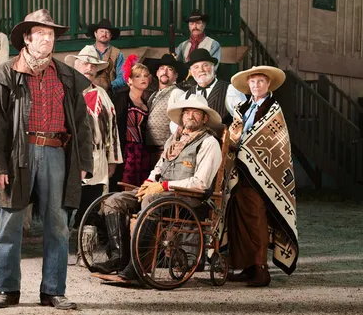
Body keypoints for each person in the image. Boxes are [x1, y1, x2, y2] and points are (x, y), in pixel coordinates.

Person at [0, 9, 93, 310]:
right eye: (41, 34)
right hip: (20, 154)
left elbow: (81, 123)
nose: (47, 39)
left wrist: (83, 160)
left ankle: (53, 291)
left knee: (58, 225)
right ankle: (8, 289)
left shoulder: (67, 76)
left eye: (51, 35)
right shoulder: (6, 74)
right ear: (27, 39)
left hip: (57, 152)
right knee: (11, 223)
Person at [92, 94, 222, 279]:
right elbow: (159, 167)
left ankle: (138, 267)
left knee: (150, 200)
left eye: (196, 112)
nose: (190, 116)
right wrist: (149, 183)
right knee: (115, 201)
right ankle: (118, 258)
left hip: (189, 199)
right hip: (163, 194)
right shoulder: (174, 140)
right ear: (182, 116)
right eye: (187, 112)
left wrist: (164, 186)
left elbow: (200, 183)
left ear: (205, 118)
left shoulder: (209, 143)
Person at [225, 66, 299, 287]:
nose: (256, 86)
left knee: (257, 219)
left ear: (268, 85)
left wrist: (244, 148)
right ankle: (247, 266)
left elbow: (275, 143)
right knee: (239, 217)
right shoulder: (243, 108)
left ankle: (261, 269)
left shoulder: (273, 110)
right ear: (248, 85)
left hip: (263, 176)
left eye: (260, 82)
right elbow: (235, 133)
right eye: (253, 82)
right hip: (240, 172)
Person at [64, 45, 123, 230]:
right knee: (63, 206)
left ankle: (84, 251)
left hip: (97, 160)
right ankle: (59, 249)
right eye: (85, 64)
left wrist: (112, 159)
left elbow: (112, 129)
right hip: (69, 157)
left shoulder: (102, 95)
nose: (89, 68)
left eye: (93, 66)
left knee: (91, 208)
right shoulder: (66, 92)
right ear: (76, 65)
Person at [170, 48, 246, 128]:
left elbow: (243, 119)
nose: (201, 70)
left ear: (213, 67)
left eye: (205, 65)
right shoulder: (186, 96)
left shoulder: (230, 90)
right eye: (196, 67)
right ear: (191, 72)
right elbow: (175, 125)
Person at [110, 55, 150, 191]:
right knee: (122, 184)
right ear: (129, 80)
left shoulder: (146, 102)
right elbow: (114, 124)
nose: (143, 79)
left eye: (145, 75)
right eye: (138, 76)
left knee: (138, 186)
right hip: (125, 148)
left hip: (141, 149)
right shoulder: (121, 98)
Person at [144, 54, 188, 167]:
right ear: (157, 73)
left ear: (176, 75)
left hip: (165, 149)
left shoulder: (177, 93)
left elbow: (181, 125)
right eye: (162, 68)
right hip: (149, 149)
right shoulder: (153, 95)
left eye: (170, 69)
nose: (165, 71)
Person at [87, 19, 126, 92]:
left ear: (110, 36)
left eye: (107, 32)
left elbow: (122, 77)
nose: (104, 34)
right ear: (95, 33)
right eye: (101, 31)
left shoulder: (117, 53)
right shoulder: (87, 51)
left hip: (111, 94)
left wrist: (109, 86)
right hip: (89, 92)